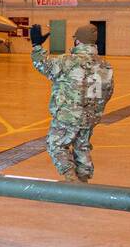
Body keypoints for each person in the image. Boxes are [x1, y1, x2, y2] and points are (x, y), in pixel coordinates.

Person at [29, 22, 114, 182]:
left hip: (68, 116)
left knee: (56, 144)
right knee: (81, 146)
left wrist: (36, 45)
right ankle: (83, 180)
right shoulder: (105, 66)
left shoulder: (67, 61)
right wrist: (94, 109)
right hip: (90, 118)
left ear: (78, 41)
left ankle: (71, 178)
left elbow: (42, 65)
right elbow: (108, 92)